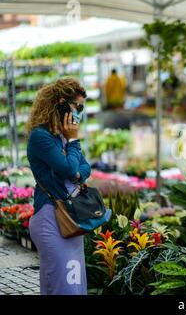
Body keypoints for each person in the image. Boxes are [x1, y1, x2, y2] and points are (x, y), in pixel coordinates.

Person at [26, 77, 90, 295]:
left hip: (71, 219)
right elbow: (72, 170)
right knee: (62, 287)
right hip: (52, 218)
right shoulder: (40, 137)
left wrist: (76, 167)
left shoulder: (62, 135)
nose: (80, 112)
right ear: (61, 102)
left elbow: (85, 168)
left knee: (74, 284)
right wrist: (73, 142)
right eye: (77, 106)